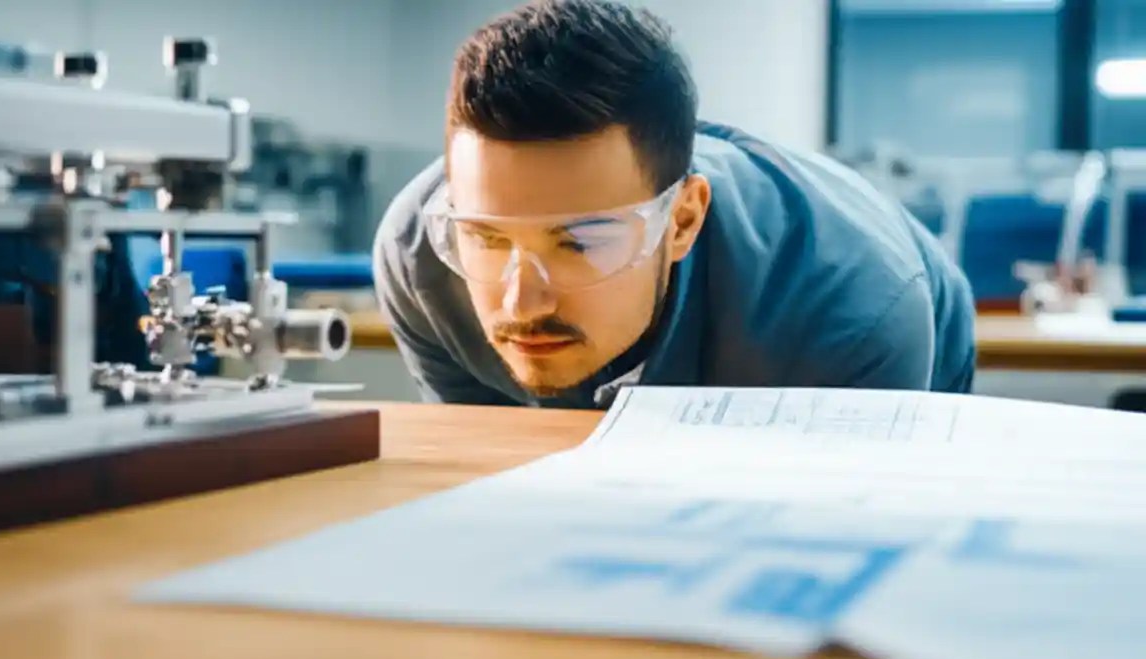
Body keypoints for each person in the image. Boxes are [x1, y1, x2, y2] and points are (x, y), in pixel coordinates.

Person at [372, 0, 976, 409]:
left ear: (683, 220)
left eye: (580, 240)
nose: (520, 302)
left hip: (886, 330)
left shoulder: (854, 311)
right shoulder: (418, 256)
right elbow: (489, 474)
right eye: (487, 237)